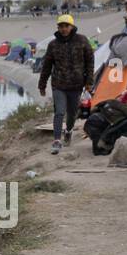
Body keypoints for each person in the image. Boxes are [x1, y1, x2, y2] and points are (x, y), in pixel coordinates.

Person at [38, 13, 94, 154]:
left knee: (72, 113)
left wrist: (89, 82)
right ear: (58, 27)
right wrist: (42, 84)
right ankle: (57, 141)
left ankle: (68, 131)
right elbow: (47, 66)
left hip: (76, 85)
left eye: (66, 26)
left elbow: (90, 61)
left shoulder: (82, 41)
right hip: (59, 84)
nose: (63, 29)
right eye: (61, 26)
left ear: (72, 26)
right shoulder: (53, 45)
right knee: (59, 112)